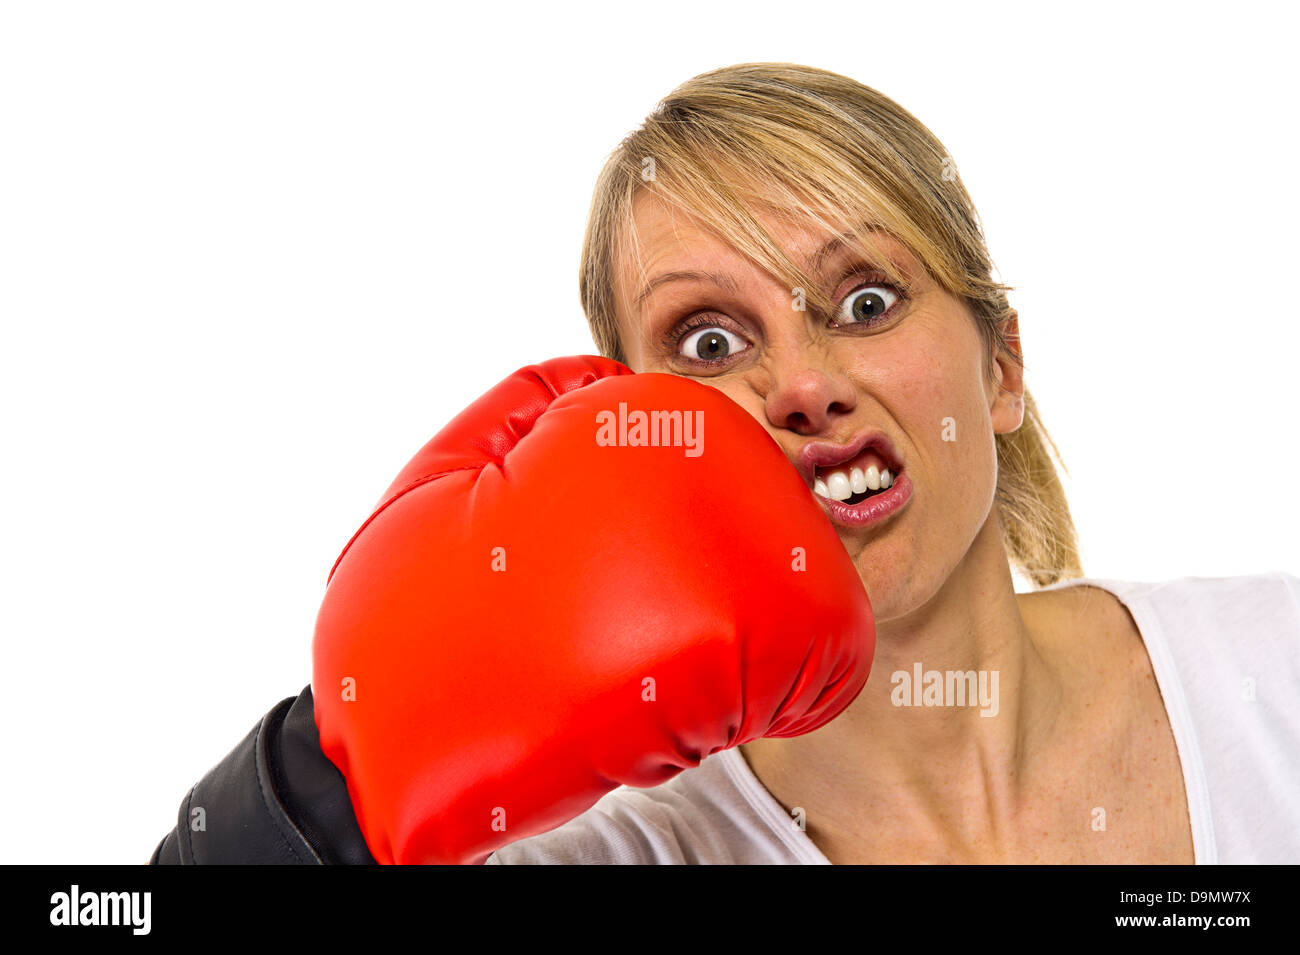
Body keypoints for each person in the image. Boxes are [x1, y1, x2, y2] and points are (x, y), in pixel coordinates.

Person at [150, 62, 1300, 866]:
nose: (802, 383)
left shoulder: (1273, 674)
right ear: (623, 431)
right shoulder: (613, 858)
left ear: (1001, 369)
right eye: (710, 340)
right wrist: (328, 792)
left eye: (865, 299)